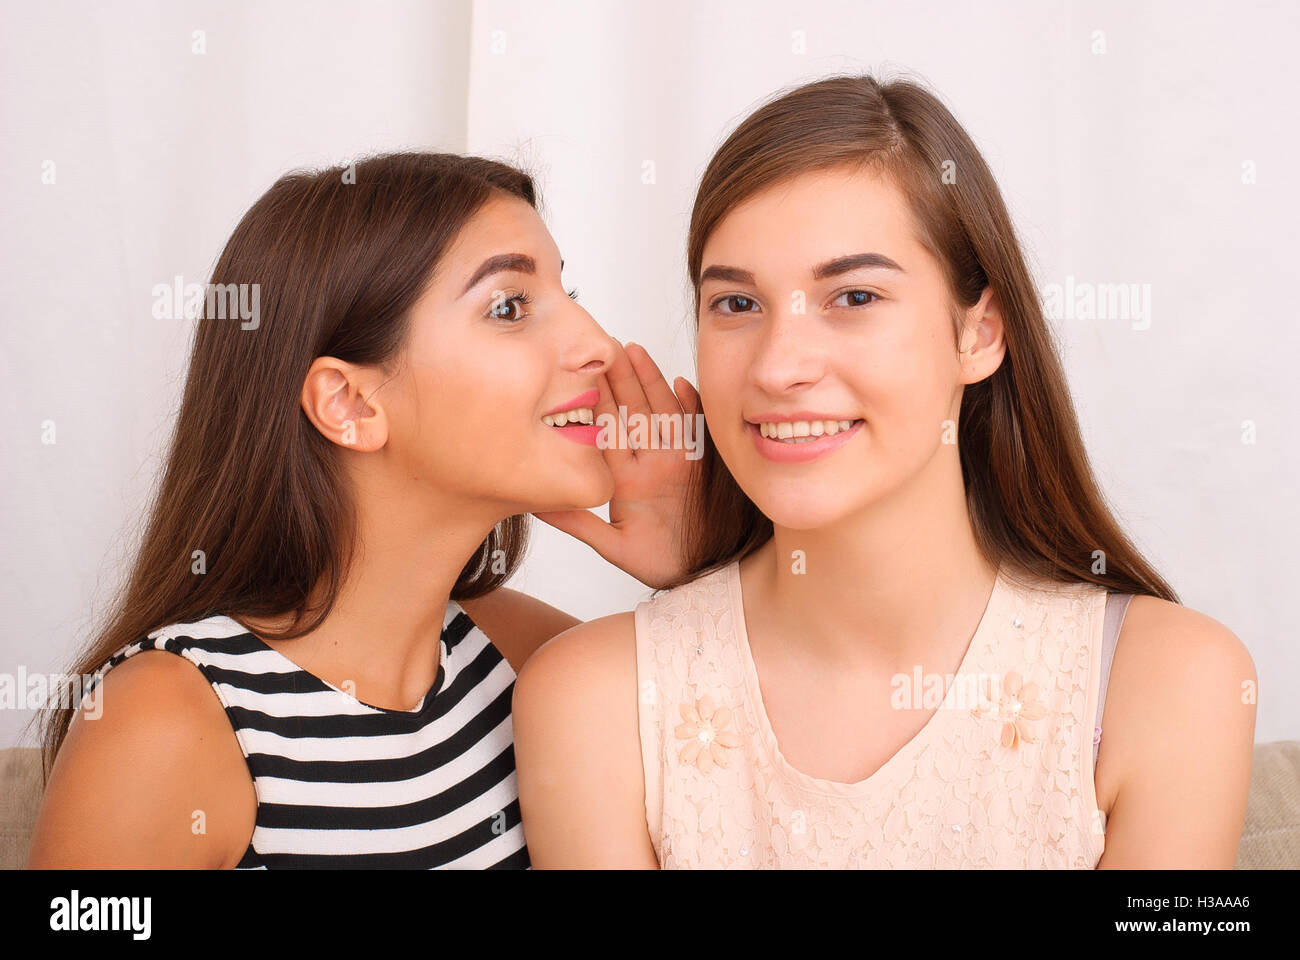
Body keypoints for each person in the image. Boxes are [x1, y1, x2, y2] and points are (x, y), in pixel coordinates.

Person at [512, 75, 1257, 868]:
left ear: (981, 333)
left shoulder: (1173, 684)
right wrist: (695, 583)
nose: (779, 366)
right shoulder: (594, 700)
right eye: (736, 304)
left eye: (854, 295)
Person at [27, 152, 698, 868]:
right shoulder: (167, 723)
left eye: (567, 293)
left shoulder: (523, 656)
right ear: (349, 404)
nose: (598, 345)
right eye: (508, 307)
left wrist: (691, 575)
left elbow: (762, 782)